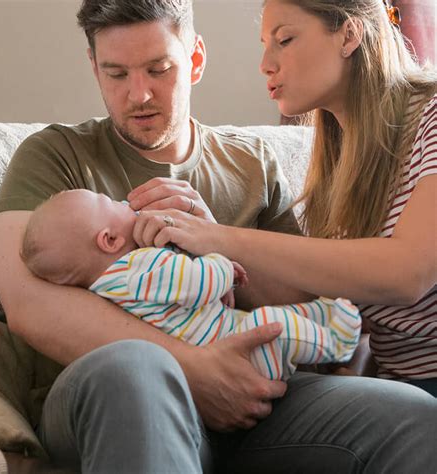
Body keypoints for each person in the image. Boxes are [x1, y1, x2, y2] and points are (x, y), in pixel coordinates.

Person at [0, 0, 436, 473]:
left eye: (158, 69)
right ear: (94, 68)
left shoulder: (253, 162)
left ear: (195, 59)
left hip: (263, 397)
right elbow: (26, 301)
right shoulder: (55, 155)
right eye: (116, 74)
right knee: (135, 367)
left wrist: (216, 239)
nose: (139, 94)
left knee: (417, 416)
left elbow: (306, 302)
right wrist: (190, 367)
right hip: (115, 394)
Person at [136, 0, 437, 398]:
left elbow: (408, 274)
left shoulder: (431, 117)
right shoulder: (337, 162)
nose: (265, 64)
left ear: (349, 35)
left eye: (285, 40)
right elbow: (343, 313)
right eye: (265, 45)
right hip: (405, 389)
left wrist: (219, 237)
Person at [20, 189, 362, 381]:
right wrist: (221, 263)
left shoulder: (106, 290)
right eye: (110, 203)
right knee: (270, 324)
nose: (123, 202)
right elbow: (195, 283)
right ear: (109, 239)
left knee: (289, 315)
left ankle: (327, 316)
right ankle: (338, 342)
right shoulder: (138, 267)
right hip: (238, 358)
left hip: (225, 333)